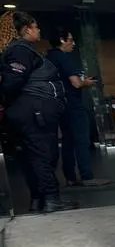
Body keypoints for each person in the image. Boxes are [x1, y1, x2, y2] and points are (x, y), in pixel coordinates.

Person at [0, 11, 77, 212]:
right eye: (36, 26)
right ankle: (51, 199)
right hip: (34, 112)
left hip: (31, 110)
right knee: (45, 154)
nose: (39, 30)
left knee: (33, 156)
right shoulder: (20, 50)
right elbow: (13, 81)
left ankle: (38, 200)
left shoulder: (21, 50)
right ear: (26, 29)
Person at [46, 27, 108, 187]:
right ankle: (87, 176)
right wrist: (86, 82)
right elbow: (76, 82)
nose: (73, 44)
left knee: (68, 140)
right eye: (71, 40)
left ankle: (70, 176)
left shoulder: (49, 57)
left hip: (59, 105)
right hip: (73, 105)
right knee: (82, 140)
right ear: (62, 40)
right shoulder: (65, 58)